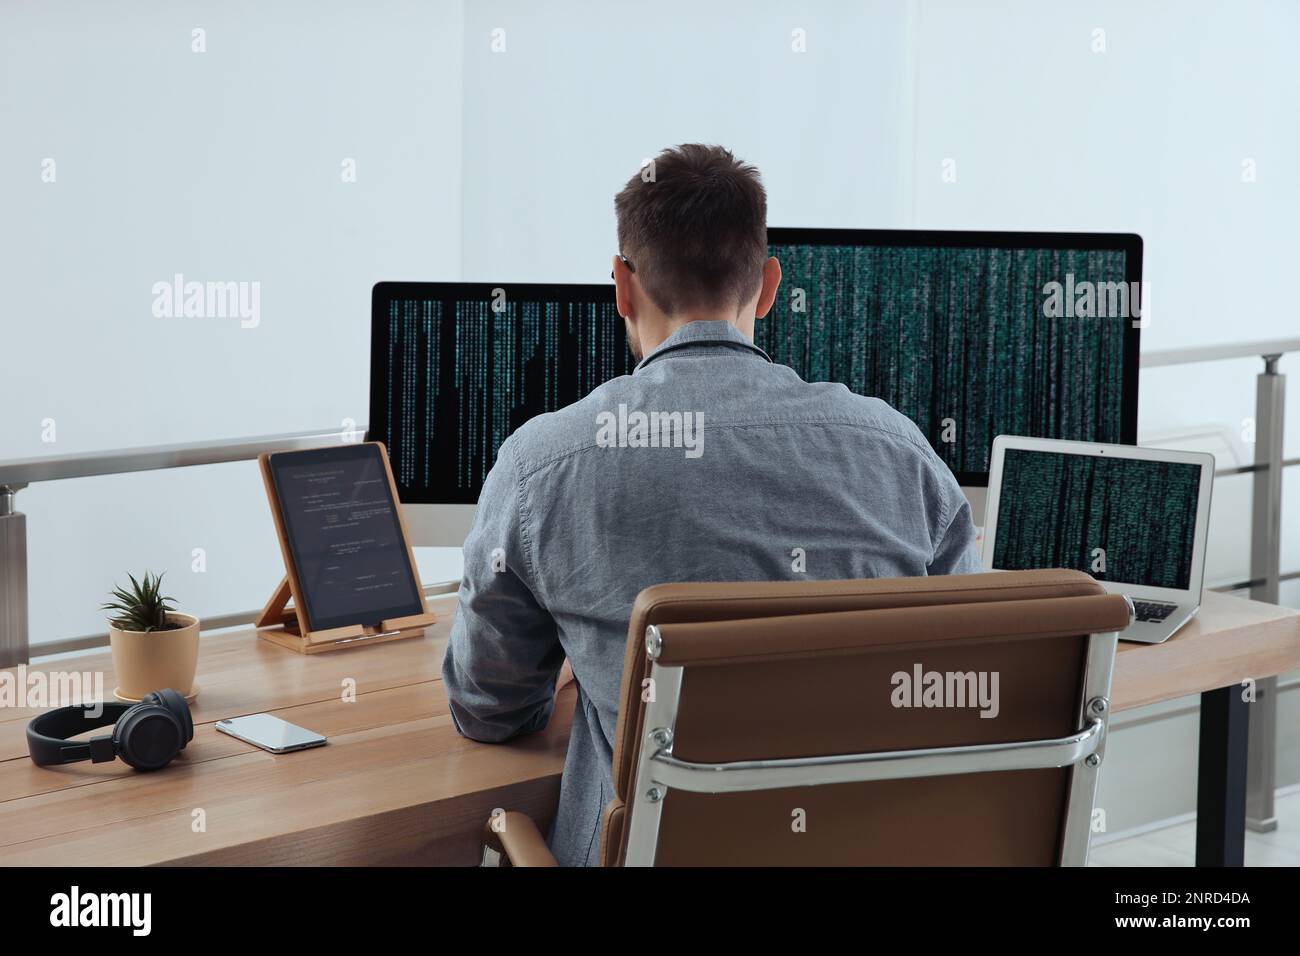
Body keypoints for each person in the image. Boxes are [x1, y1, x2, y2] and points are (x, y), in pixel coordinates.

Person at [441, 143, 981, 866]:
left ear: (621, 288)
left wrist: (583, 654)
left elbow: (489, 710)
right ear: (766, 287)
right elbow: (972, 687)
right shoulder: (900, 451)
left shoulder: (543, 466)